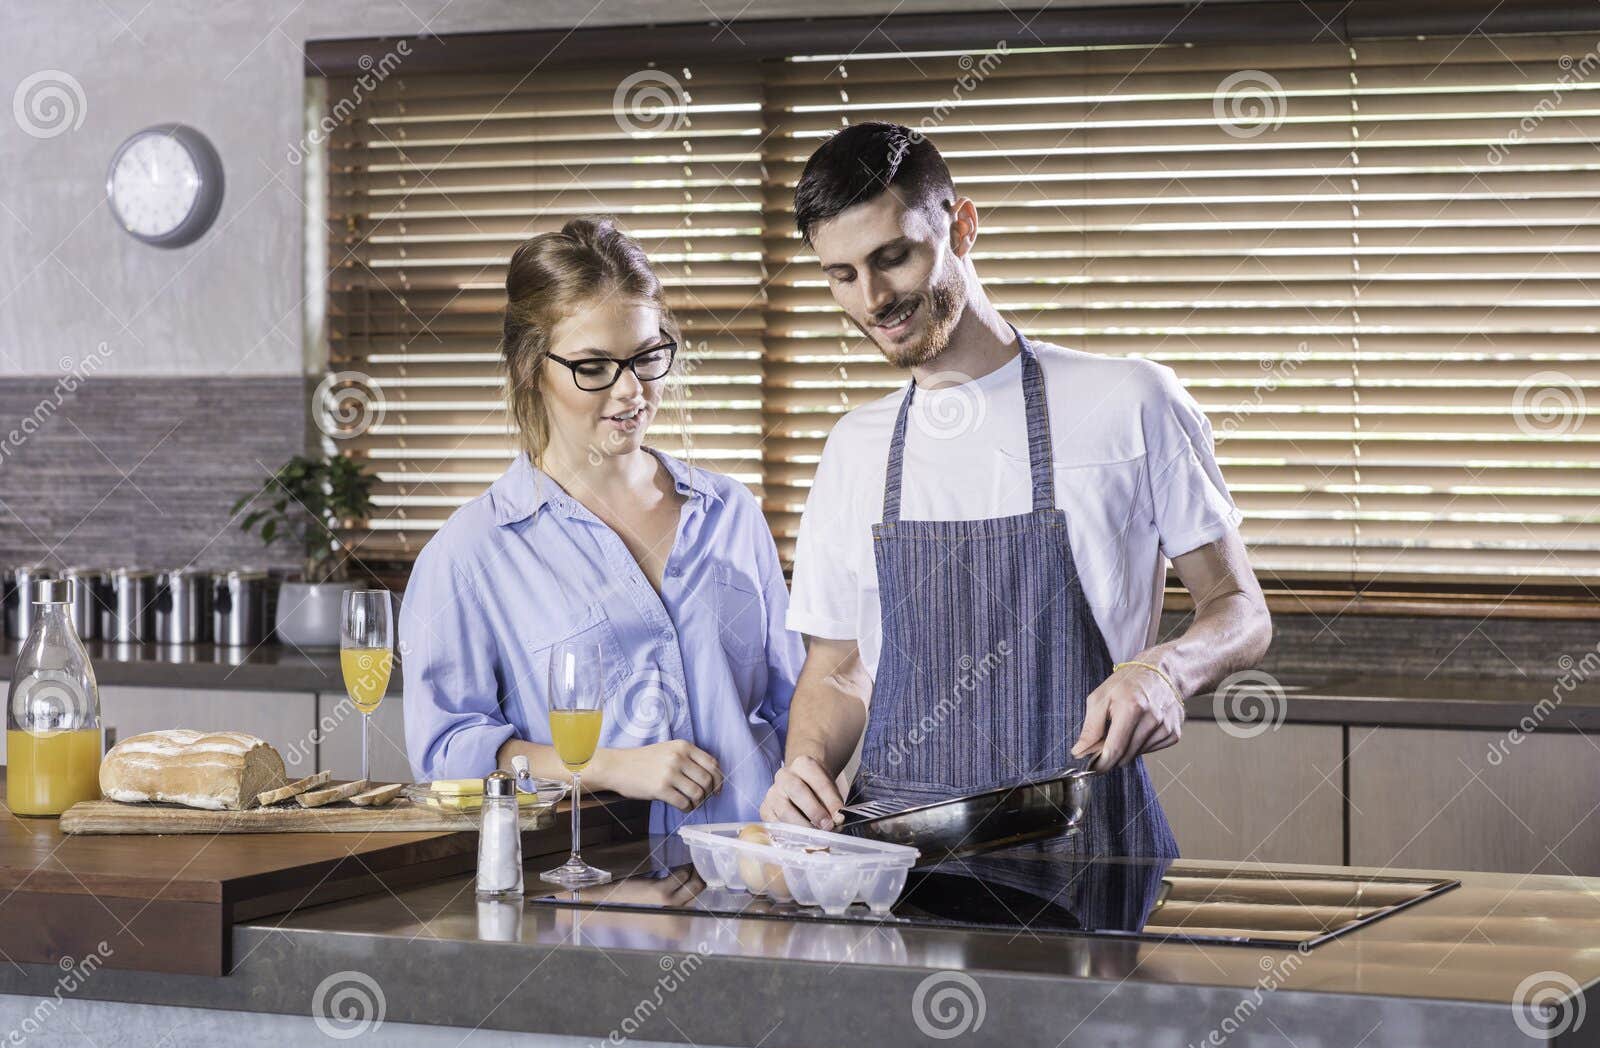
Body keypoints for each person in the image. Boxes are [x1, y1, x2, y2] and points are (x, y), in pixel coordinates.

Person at [761, 123, 1273, 858]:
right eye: (841, 275)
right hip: (896, 858)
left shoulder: (1129, 401)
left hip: (1085, 848)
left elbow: (1240, 610)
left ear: (961, 227)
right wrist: (803, 767)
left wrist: (1167, 669)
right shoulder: (854, 448)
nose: (872, 299)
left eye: (893, 257)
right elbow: (839, 667)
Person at [402, 216, 803, 835]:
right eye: (593, 367)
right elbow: (448, 758)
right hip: (599, 901)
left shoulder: (730, 512)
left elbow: (789, 704)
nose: (631, 391)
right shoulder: (469, 554)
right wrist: (605, 765)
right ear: (530, 370)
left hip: (757, 883)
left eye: (647, 357)